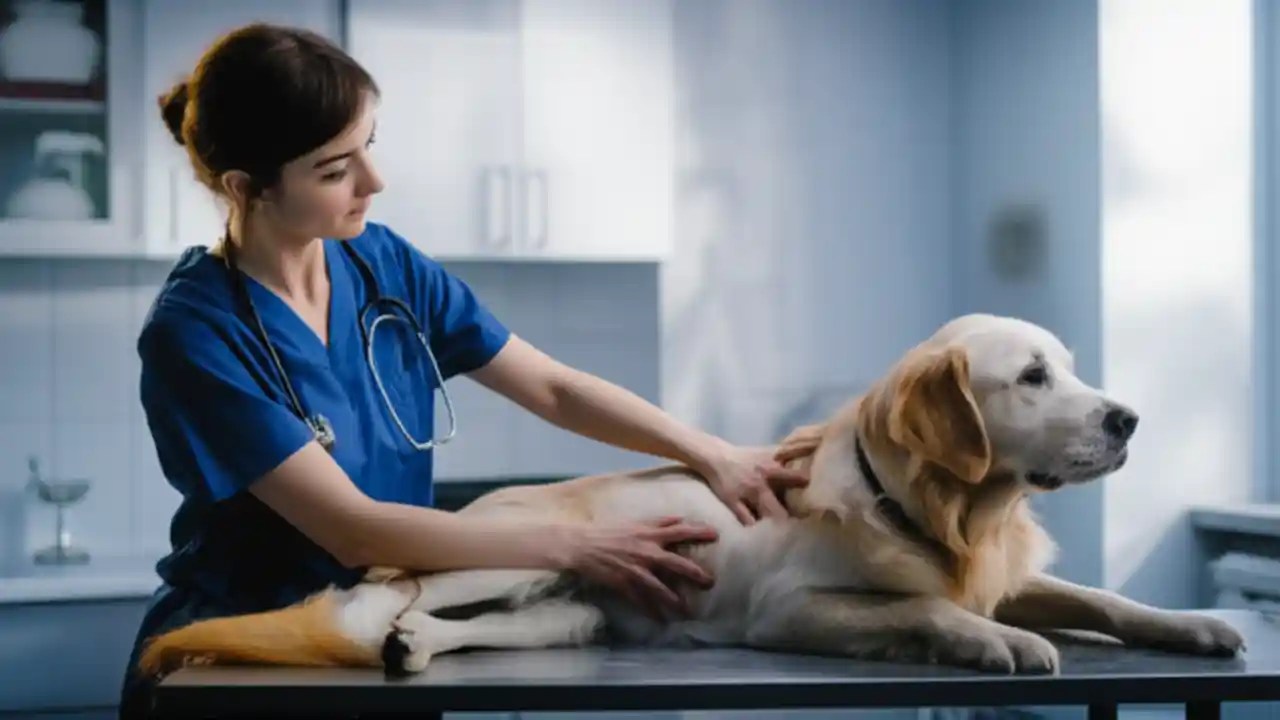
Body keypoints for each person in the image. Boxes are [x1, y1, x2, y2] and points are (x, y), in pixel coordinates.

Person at [117, 22, 809, 719]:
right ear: (248, 187)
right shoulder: (197, 333)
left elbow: (553, 388)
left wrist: (710, 452)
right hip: (246, 657)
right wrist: (575, 545)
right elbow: (353, 529)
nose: (374, 182)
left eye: (369, 147)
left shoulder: (381, 263)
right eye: (335, 171)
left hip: (382, 631)